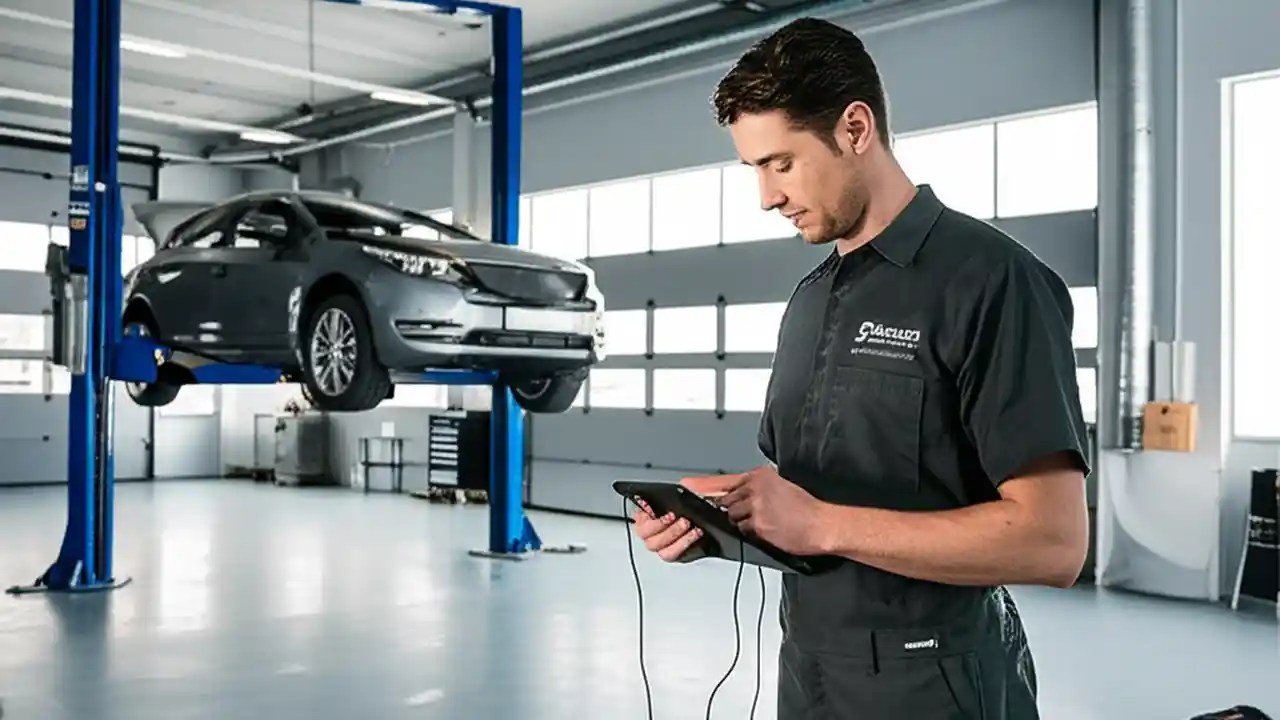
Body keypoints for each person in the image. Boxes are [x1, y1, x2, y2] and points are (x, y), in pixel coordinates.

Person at [630, 17, 1091, 720]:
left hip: (932, 681)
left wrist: (820, 524)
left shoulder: (993, 283)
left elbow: (1054, 543)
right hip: (808, 669)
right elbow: (812, 501)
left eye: (781, 163)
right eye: (753, 168)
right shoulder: (811, 299)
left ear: (854, 128)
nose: (766, 196)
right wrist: (722, 529)